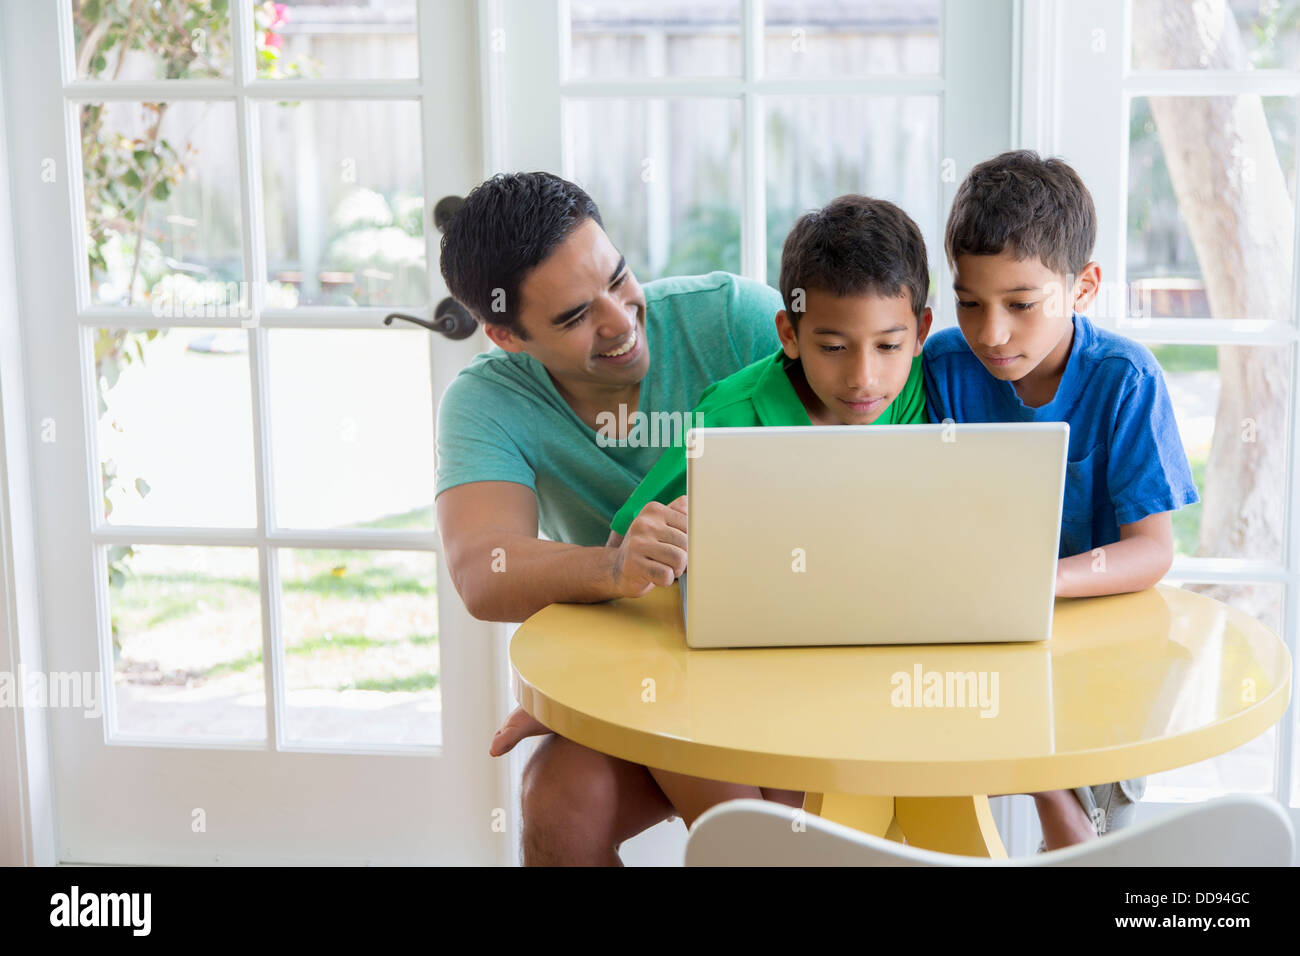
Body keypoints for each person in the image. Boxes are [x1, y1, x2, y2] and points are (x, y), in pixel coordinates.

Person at [496, 193, 934, 835]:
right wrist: (581, 686)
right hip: (727, 681)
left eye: (889, 346)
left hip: (863, 676)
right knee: (766, 834)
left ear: (919, 334)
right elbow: (626, 548)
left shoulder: (923, 385)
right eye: (834, 347)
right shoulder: (726, 418)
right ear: (789, 333)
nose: (864, 377)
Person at [436, 171, 785, 864]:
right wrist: (614, 566)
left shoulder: (735, 320)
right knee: (558, 800)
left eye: (619, 280)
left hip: (778, 661)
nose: (621, 322)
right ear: (507, 335)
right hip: (635, 675)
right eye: (573, 318)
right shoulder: (487, 400)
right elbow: (483, 569)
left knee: (771, 822)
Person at [922, 150, 1199, 849]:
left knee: (1100, 842)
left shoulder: (1124, 380)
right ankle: (1046, 796)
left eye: (1020, 304)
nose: (991, 332)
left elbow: (1152, 550)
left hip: (1102, 646)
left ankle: (1066, 814)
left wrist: (1041, 582)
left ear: (1083, 288)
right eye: (969, 302)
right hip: (975, 641)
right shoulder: (943, 369)